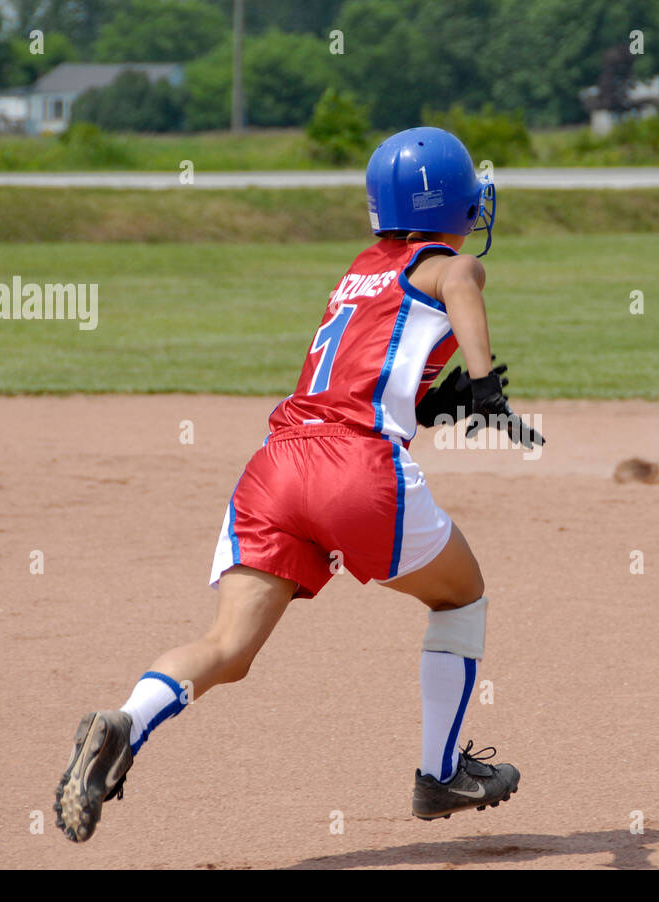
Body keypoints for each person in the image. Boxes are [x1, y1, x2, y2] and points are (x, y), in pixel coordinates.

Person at [54, 127, 544, 842]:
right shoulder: (444, 262)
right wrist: (482, 384)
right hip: (355, 470)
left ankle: (125, 722)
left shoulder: (360, 270)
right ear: (454, 205)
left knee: (228, 649)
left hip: (275, 466)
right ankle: (440, 775)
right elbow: (462, 278)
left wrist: (435, 402)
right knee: (461, 596)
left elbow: (367, 372)